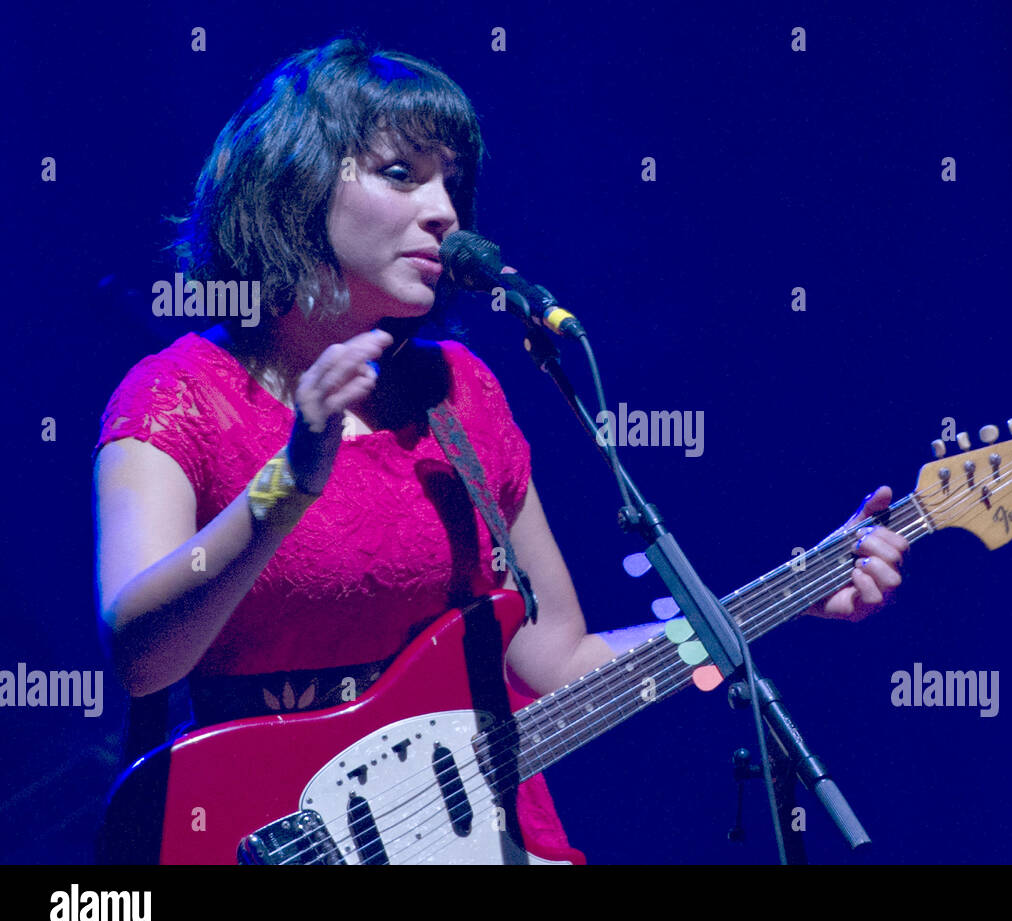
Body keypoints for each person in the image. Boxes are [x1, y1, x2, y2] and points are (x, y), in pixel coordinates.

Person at [92, 36, 909, 864]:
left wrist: (771, 606)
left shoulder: (459, 394)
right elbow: (141, 657)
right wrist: (288, 485)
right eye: (403, 173)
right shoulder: (178, 395)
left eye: (454, 180)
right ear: (294, 185)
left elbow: (559, 662)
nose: (446, 211)